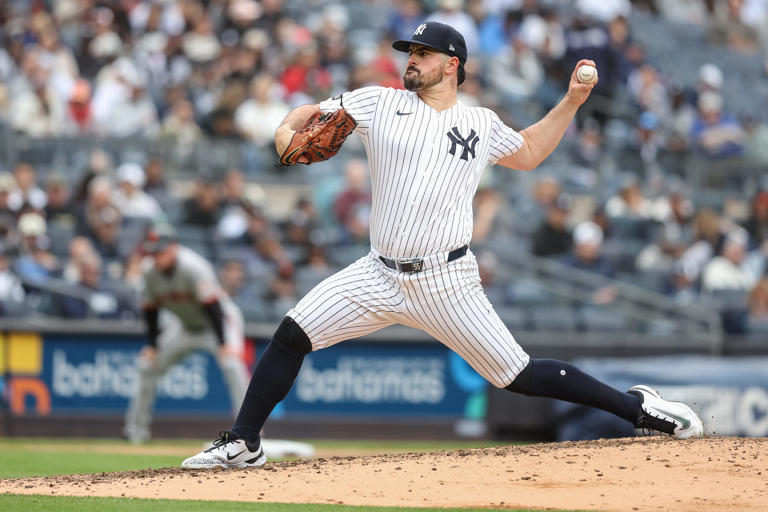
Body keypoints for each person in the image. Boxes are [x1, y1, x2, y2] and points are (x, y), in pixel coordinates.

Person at [182, 21, 703, 470]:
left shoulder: (478, 122)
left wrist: (571, 101)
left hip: (446, 281)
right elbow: (310, 113)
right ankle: (244, 442)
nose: (411, 59)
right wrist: (286, 126)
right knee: (292, 333)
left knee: (518, 375)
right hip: (377, 273)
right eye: (409, 52)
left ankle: (638, 408)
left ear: (452, 64)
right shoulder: (379, 102)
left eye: (423, 53)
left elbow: (528, 153)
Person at [124, 224, 250, 444]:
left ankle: (250, 433)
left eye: (161, 251)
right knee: (146, 366)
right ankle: (135, 431)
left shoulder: (193, 266)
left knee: (232, 364)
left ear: (174, 248)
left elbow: (214, 307)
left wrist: (223, 344)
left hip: (218, 323)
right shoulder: (149, 271)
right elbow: (150, 311)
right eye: (153, 252)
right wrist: (153, 346)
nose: (156, 257)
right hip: (184, 326)